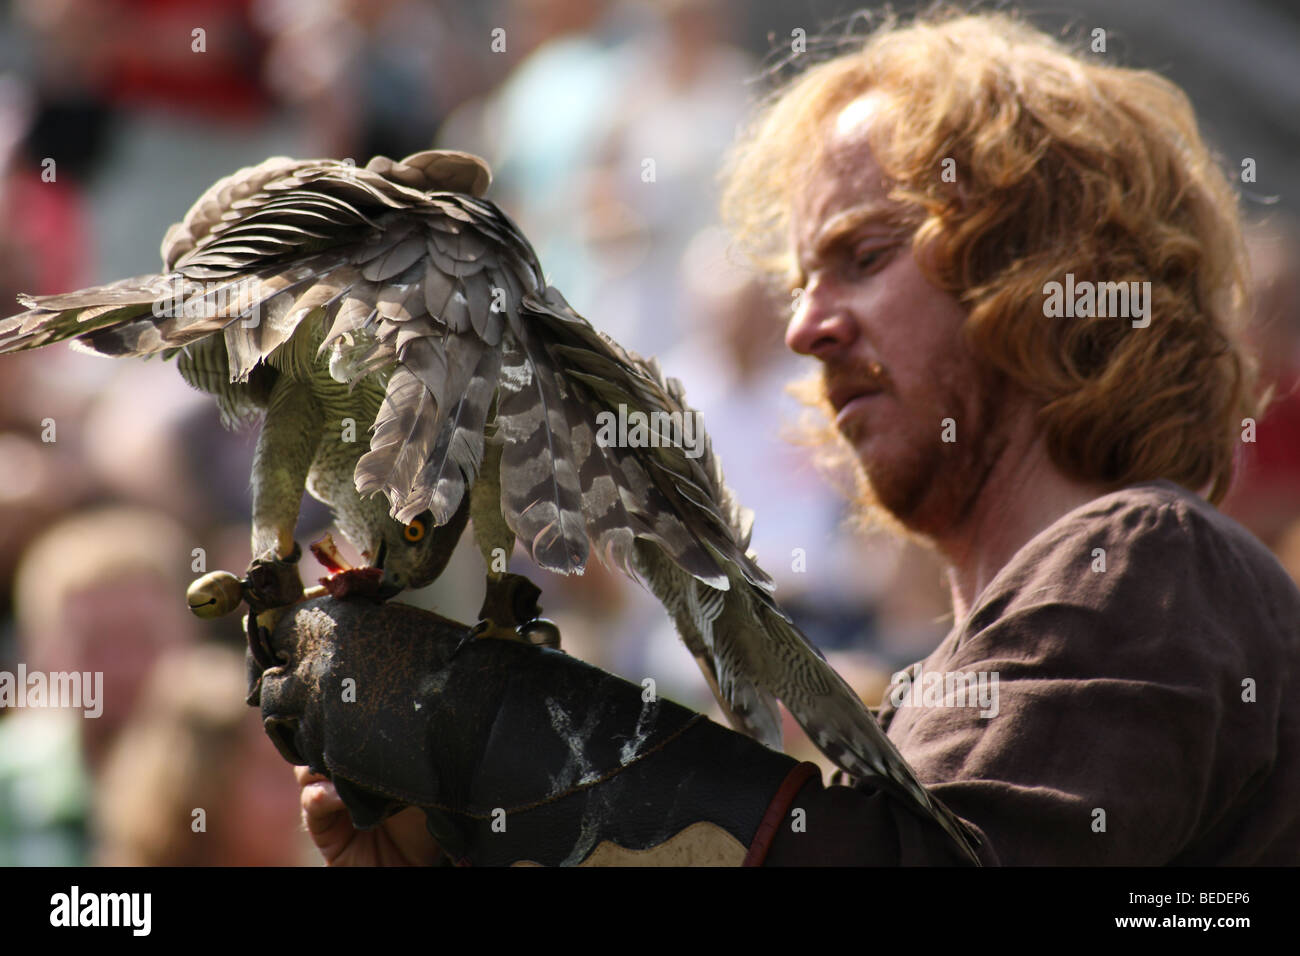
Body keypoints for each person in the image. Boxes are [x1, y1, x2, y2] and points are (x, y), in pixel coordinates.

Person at [291, 11, 1300, 865]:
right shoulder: (979, 662)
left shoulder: (1148, 561)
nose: (802, 327)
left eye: (862, 254)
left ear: (1037, 270)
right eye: (799, 279)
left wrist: (499, 743)